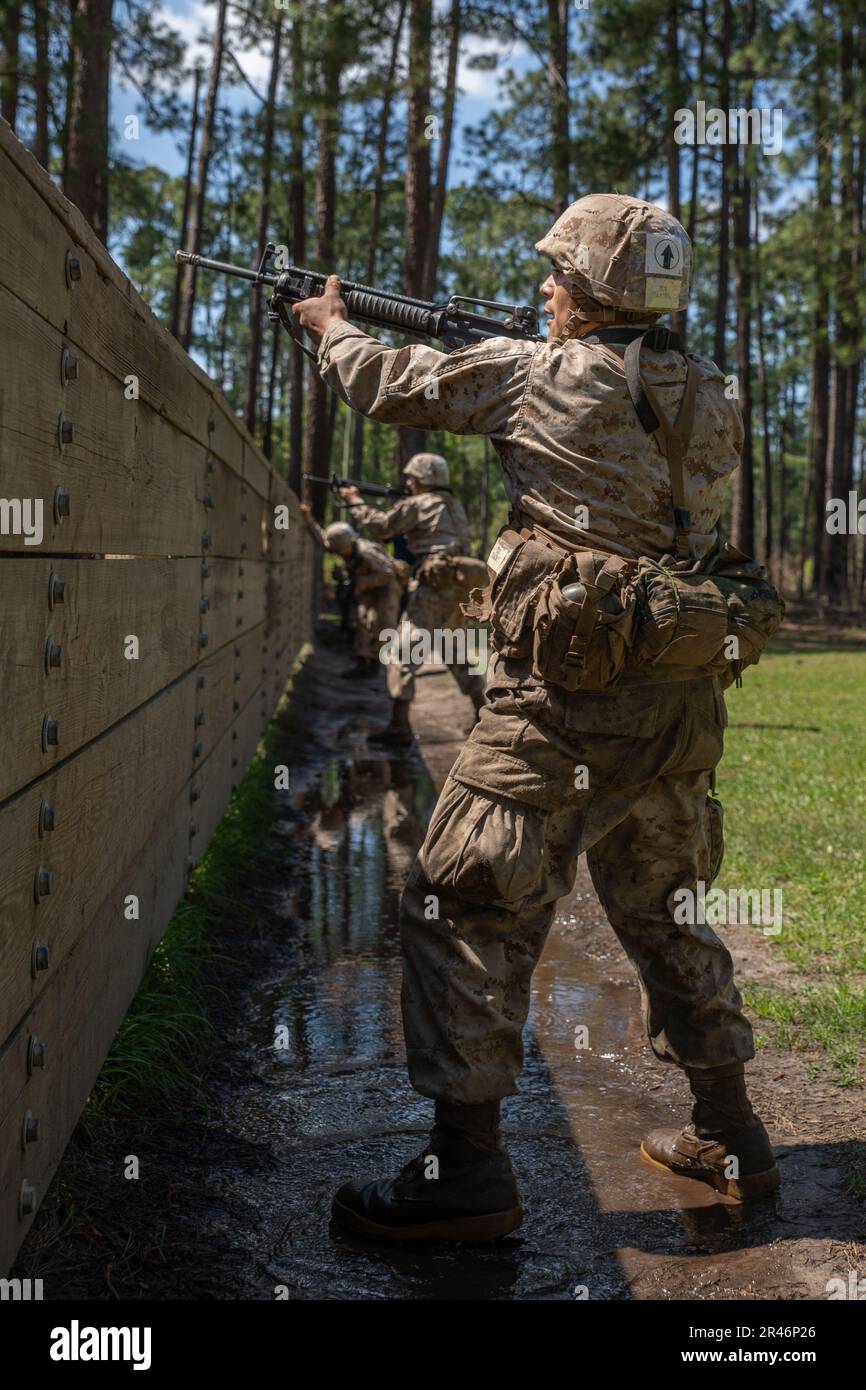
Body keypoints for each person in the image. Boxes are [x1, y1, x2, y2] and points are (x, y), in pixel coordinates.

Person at [293, 193, 780, 1244]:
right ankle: (732, 1134)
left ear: (595, 287)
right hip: (679, 705)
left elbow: (390, 384)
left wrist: (330, 324)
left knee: (461, 903)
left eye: (558, 272)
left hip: (561, 707)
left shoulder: (535, 373)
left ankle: (464, 1172)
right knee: (666, 912)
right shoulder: (712, 391)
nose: (543, 287)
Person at [336, 453, 487, 744]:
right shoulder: (453, 505)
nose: (407, 482)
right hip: (458, 585)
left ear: (424, 479)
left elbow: (380, 527)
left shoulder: (419, 504)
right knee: (453, 649)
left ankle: (399, 725)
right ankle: (482, 713)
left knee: (401, 652)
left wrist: (355, 501)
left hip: (433, 586)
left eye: (412, 478)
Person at [299, 507, 403, 679]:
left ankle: (378, 664)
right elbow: (321, 539)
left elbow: (387, 572)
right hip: (367, 584)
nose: (339, 554)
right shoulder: (339, 545)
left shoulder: (366, 552)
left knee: (383, 623)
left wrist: (364, 583)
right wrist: (308, 518)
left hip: (386, 586)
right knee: (362, 621)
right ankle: (363, 662)